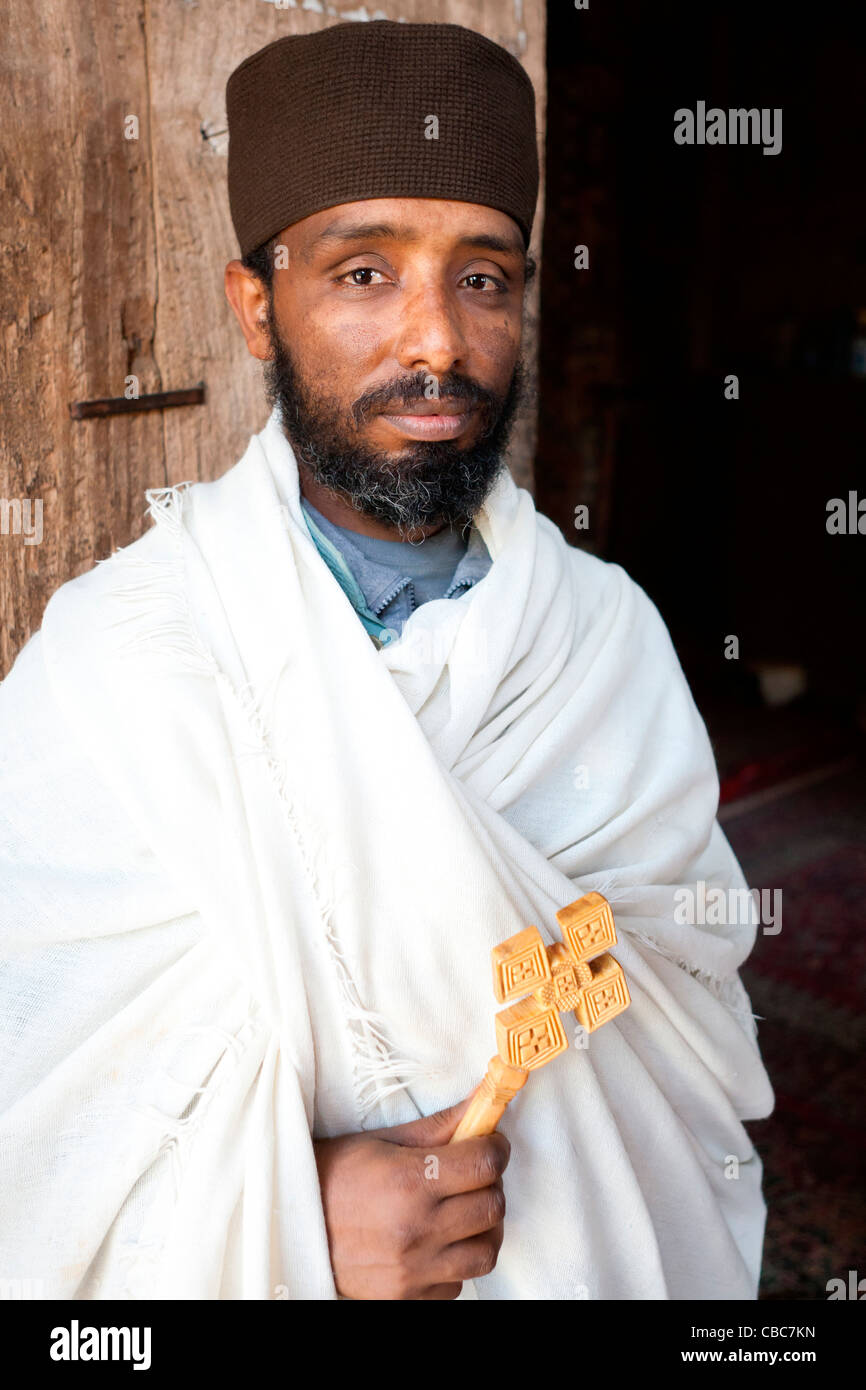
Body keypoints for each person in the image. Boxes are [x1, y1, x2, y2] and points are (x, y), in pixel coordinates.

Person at [0, 20, 773, 1301]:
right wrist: (291, 1223)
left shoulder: (605, 634)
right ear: (258, 305)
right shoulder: (118, 661)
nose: (436, 347)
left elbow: (678, 1043)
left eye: (481, 278)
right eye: (363, 273)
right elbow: (35, 1120)